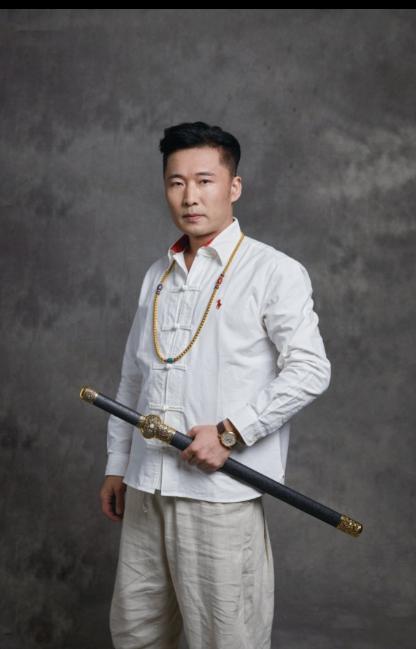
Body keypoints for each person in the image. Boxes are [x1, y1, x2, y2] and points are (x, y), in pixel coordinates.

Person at [99, 121, 331, 649]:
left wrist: (231, 432)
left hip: (218, 495)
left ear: (234, 186)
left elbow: (310, 369)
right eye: (176, 182)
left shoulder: (273, 271)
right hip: (145, 489)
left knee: (226, 640)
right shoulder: (157, 275)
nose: (190, 196)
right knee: (135, 635)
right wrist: (117, 465)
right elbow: (134, 376)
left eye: (204, 181)